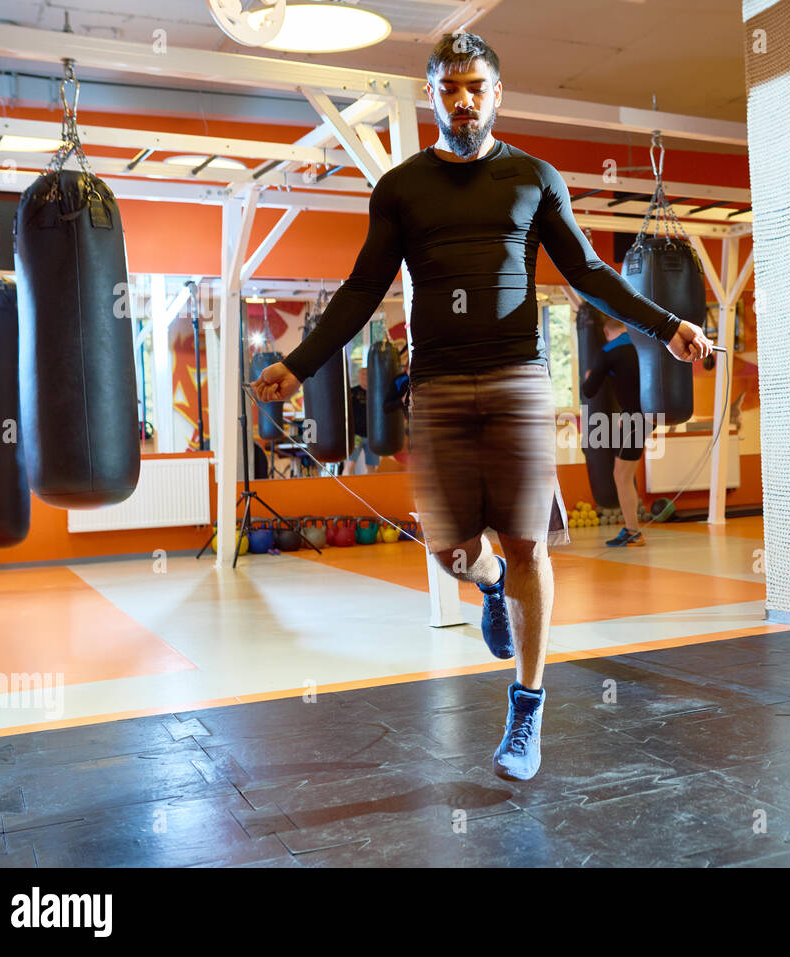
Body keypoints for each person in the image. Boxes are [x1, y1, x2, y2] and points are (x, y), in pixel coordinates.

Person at [252, 32, 713, 781]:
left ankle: (526, 709)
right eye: (448, 86)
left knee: (529, 544)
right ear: (431, 93)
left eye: (475, 86)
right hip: (435, 387)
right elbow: (364, 289)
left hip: (517, 382)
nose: (462, 99)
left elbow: (590, 273)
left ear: (497, 94)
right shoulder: (400, 189)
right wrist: (300, 364)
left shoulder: (534, 177)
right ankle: (489, 583)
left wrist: (669, 326)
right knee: (451, 552)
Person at [581, 317, 649, 546]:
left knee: (621, 476)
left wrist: (588, 376)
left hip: (634, 419)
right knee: (624, 475)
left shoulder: (609, 351)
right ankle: (632, 530)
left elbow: (589, 391)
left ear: (606, 331)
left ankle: (633, 531)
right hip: (649, 415)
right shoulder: (643, 343)